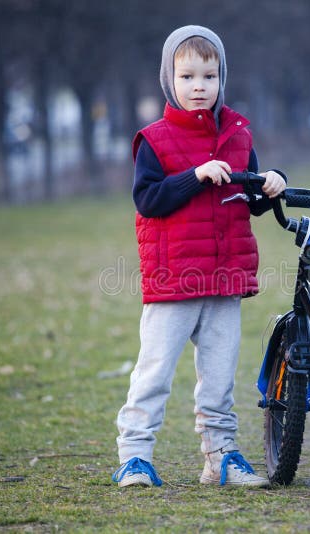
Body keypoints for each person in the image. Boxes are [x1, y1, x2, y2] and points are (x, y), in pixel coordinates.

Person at [112, 25, 286, 488]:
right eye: (187, 77)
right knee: (154, 375)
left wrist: (271, 184)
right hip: (175, 282)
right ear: (169, 80)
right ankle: (134, 457)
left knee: (219, 379)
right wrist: (197, 174)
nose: (198, 87)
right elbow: (149, 200)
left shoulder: (238, 135)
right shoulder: (154, 139)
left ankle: (221, 457)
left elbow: (251, 199)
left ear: (221, 78)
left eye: (209, 77)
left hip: (225, 281)